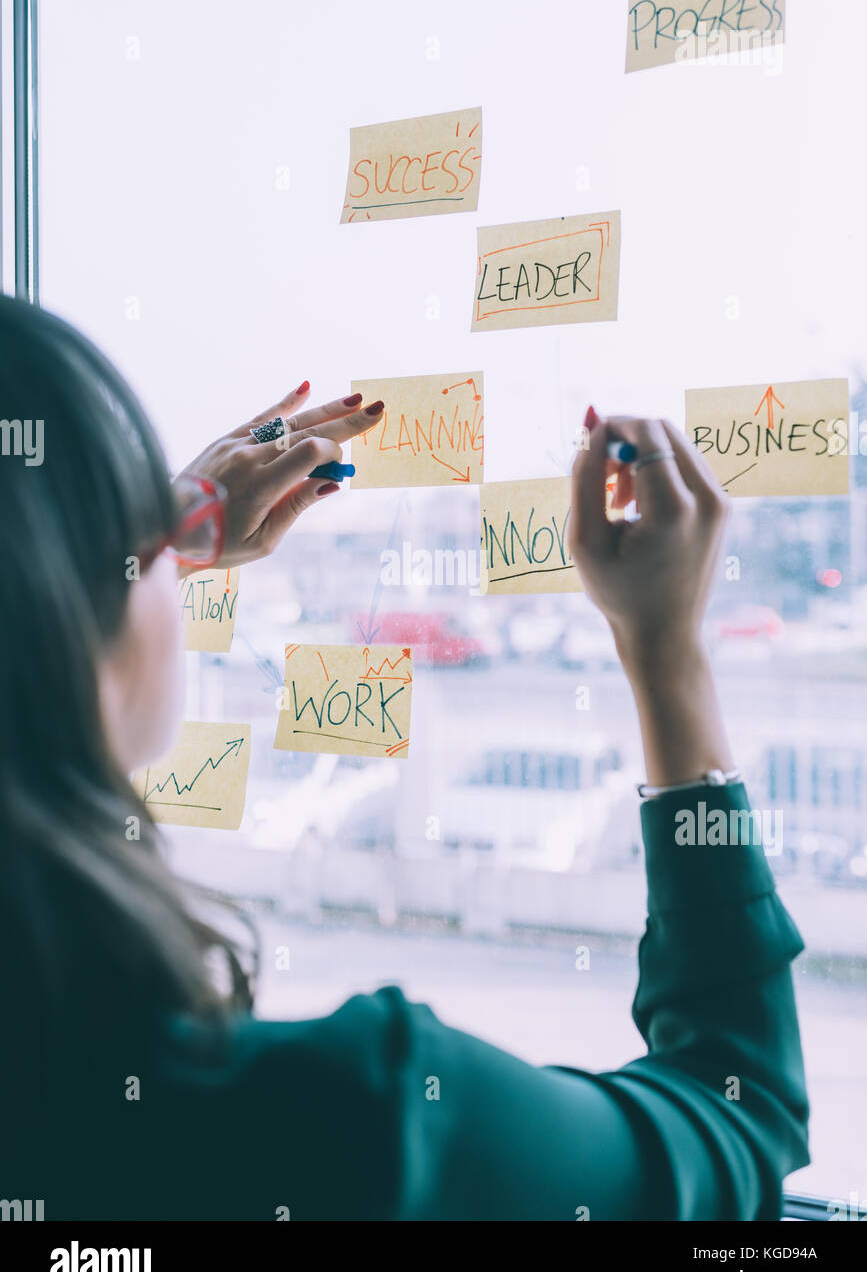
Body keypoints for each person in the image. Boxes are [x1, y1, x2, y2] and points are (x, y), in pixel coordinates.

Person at [0, 294, 808, 1221]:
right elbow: (739, 1109)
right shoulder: (358, 1120)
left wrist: (125, 555)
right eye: (140, 548)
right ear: (74, 620)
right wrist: (668, 657)